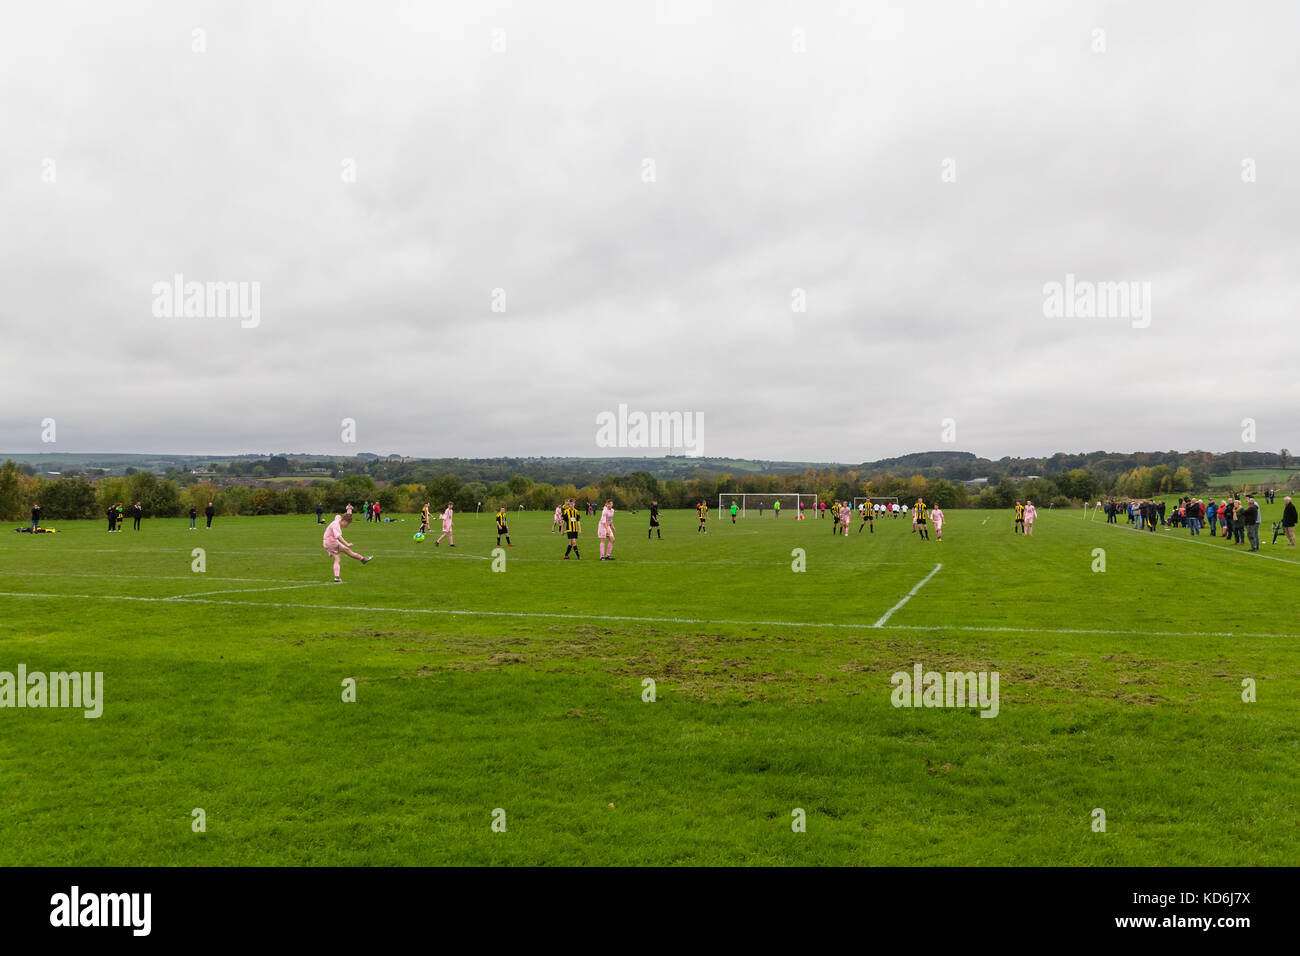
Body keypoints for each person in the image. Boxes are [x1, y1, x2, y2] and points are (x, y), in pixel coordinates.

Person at [322, 512, 373, 582]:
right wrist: (347, 543)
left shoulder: (338, 519)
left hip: (328, 542)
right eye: (348, 523)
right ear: (344, 521)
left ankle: (363, 559)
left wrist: (347, 515)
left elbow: (337, 516)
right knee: (337, 559)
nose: (347, 525)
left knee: (347, 550)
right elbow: (338, 537)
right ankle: (336, 577)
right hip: (331, 542)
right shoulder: (336, 525)